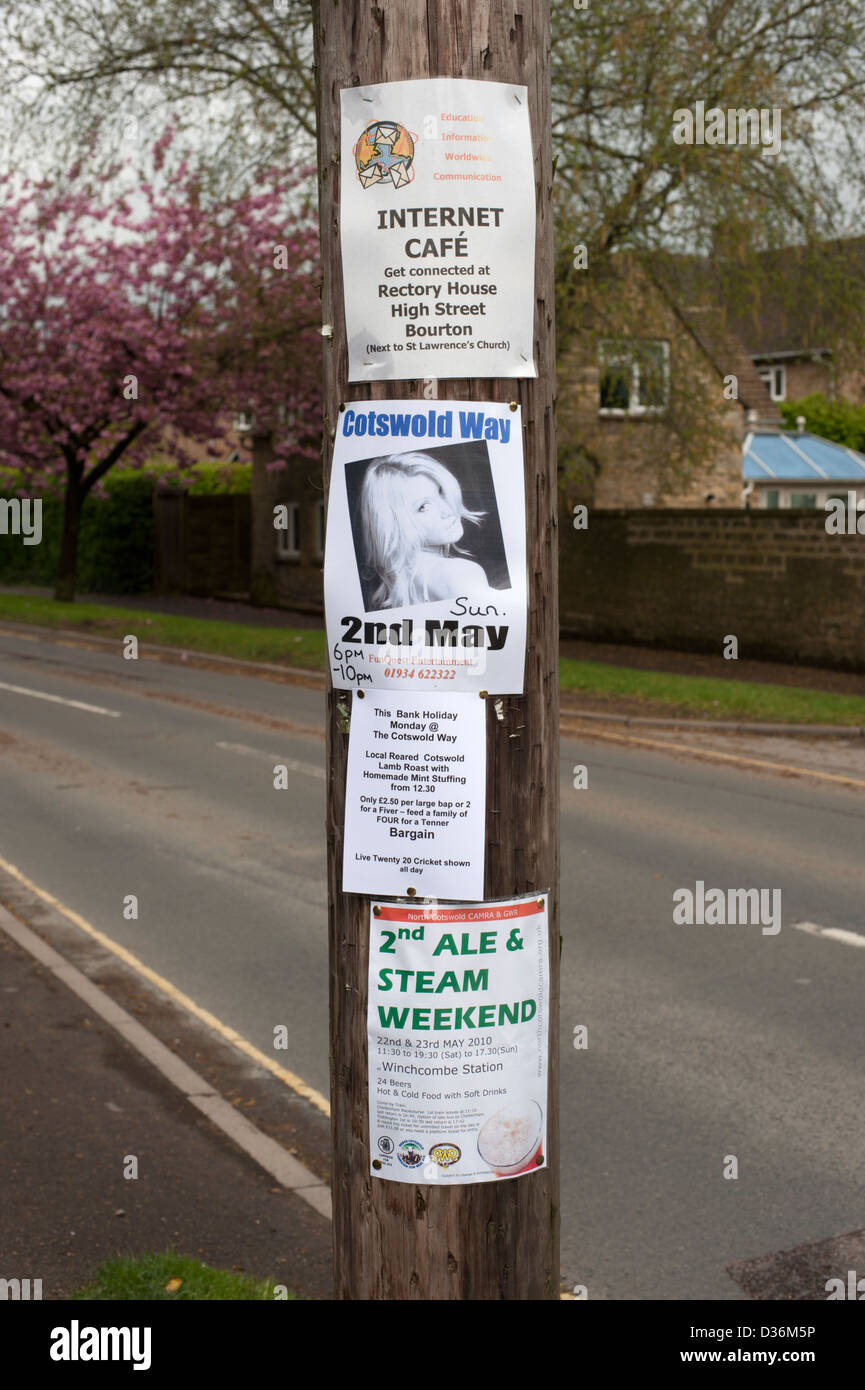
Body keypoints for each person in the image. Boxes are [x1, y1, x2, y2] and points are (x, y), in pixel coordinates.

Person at [359, 452, 491, 610]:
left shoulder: (406, 583)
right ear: (396, 525)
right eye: (423, 507)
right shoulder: (460, 574)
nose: (447, 509)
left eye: (441, 491)